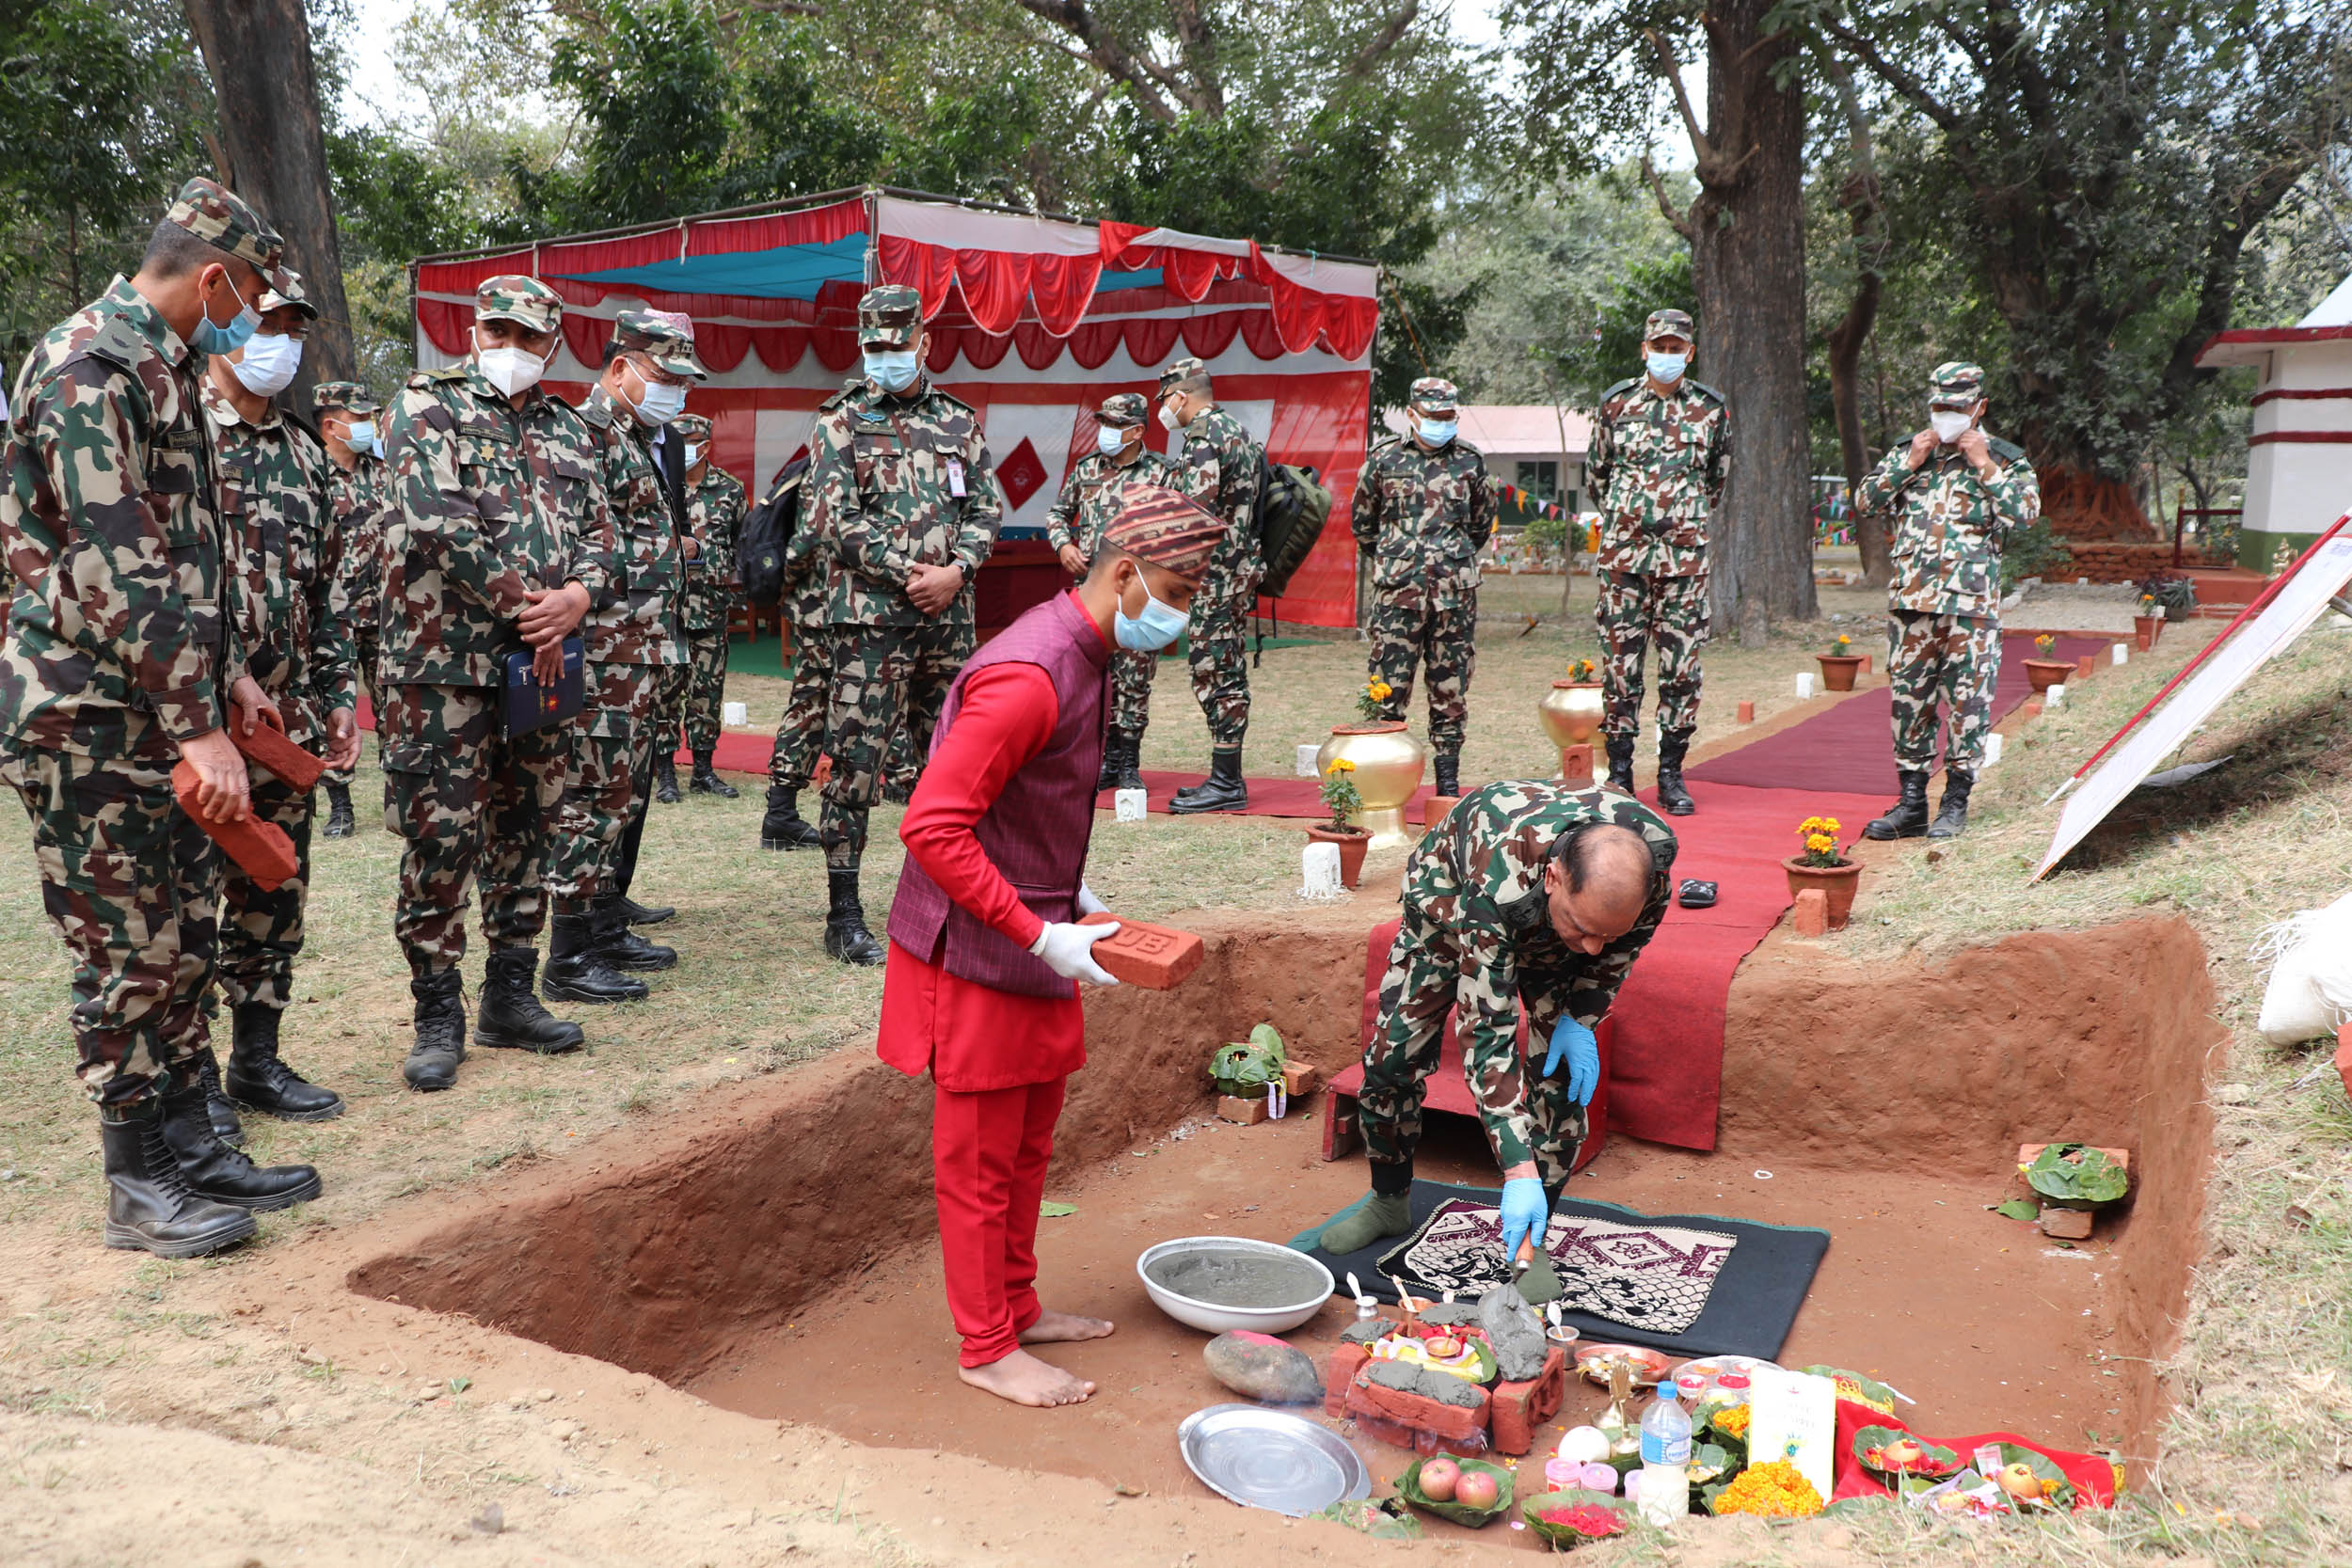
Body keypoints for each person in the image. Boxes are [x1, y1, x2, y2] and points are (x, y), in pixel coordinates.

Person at [0, 176, 321, 1256]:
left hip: (154, 701)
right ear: (216, 273)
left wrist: (226, 678)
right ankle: (137, 1183)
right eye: (252, 293)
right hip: (87, 714)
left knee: (180, 933)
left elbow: (186, 554)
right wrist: (198, 725)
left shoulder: (163, 366)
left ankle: (193, 1146)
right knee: (125, 944)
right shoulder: (90, 363)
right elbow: (117, 563)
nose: (254, 317)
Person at [882, 485, 1221, 1405]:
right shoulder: (1030, 673)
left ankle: (1019, 1304)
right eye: (1180, 587)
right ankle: (986, 1345)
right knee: (979, 1159)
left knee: (1028, 1146)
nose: (1186, 613)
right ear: (1125, 573)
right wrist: (1040, 929)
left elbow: (1018, 806)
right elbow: (933, 826)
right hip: (982, 950)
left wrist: (1067, 891)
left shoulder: (1090, 649)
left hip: (1035, 933)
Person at [1311, 782, 1677, 1302]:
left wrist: (1581, 1014)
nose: (1594, 945)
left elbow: (1620, 948)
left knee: (1562, 1080)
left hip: (1548, 920)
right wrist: (1517, 1167)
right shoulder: (1496, 884)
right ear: (1554, 878)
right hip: (1449, 912)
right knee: (1392, 1061)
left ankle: (1532, 1236)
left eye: (1607, 932)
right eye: (1583, 927)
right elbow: (1489, 1033)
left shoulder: (1651, 865)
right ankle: (1388, 1199)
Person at [381, 274, 607, 1090]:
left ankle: (510, 992)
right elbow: (438, 521)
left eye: (527, 336)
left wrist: (577, 597)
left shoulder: (571, 430)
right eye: (496, 330)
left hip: (540, 669)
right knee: (441, 841)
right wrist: (534, 610)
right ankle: (436, 1011)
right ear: (476, 329)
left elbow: (601, 538)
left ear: (553, 345)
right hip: (443, 670)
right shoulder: (424, 406)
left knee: (528, 827)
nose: (509, 347)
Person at [197, 269, 360, 1143]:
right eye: (270, 323)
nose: (283, 343)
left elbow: (326, 594)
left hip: (286, 721)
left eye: (296, 328)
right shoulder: (180, 429)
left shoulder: (304, 454)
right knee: (189, 896)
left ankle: (255, 1060)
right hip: (194, 714)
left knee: (274, 887)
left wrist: (339, 698)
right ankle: (193, 1087)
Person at [803, 283, 1001, 965]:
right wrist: (909, 573)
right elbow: (834, 519)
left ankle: (951, 895)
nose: (885, 356)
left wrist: (957, 571)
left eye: (897, 343)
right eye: (873, 346)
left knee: (954, 759)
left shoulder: (958, 421)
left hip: (948, 621)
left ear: (924, 342)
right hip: (870, 623)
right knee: (856, 763)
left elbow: (986, 508)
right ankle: (845, 911)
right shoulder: (839, 421)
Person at [542, 311, 707, 1004]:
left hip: (644, 650)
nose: (675, 392)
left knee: (623, 796)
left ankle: (604, 927)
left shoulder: (637, 438)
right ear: (620, 368)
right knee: (590, 799)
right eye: (664, 376)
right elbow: (578, 542)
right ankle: (569, 955)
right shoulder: (583, 437)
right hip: (607, 651)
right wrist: (673, 551)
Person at [1858, 361, 2041, 842]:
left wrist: (1985, 464)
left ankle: (1954, 803)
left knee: (1967, 706)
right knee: (1909, 704)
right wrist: (1906, 464)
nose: (1946, 415)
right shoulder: (1909, 454)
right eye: (1939, 406)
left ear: (1979, 408)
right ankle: (1912, 804)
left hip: (1971, 608)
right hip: (1913, 605)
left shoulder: (2007, 460)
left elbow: (2025, 514)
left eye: (1957, 407)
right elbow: (1864, 502)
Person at [1586, 309, 1730, 816]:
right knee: (1620, 669)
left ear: (1689, 353)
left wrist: (1676, 522)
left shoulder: (1712, 410)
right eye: (1659, 346)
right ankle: (1621, 772)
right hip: (1625, 562)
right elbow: (1596, 477)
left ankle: (1672, 773)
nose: (1666, 356)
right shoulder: (1616, 405)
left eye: (1676, 349)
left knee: (1681, 671)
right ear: (1643, 349)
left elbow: (1715, 481)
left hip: (1685, 566)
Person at [1352, 376, 1497, 798]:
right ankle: (1385, 784)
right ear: (1412, 414)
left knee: (1449, 686)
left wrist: (1446, 559)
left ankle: (1447, 781)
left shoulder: (1471, 461)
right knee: (1386, 687)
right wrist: (1397, 561)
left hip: (1454, 595)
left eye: (1449, 416)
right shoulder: (1383, 459)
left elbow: (1480, 525)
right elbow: (1363, 525)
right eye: (1433, 415)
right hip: (1398, 594)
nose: (1442, 423)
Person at [1042, 392, 1178, 791]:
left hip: (1138, 594)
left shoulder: (1162, 472)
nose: (1106, 432)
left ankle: (1130, 762)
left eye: (1116, 425)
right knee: (1096, 675)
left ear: (1137, 430)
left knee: (1135, 677)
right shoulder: (1087, 469)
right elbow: (1056, 513)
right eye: (1104, 423)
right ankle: (1106, 758)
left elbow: (1177, 529)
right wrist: (1063, 544)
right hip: (1091, 593)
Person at [1156, 356, 1263, 814]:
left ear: (1182, 395)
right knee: (1227, 668)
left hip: (1214, 575)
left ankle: (1226, 782)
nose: (1163, 408)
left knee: (1213, 671)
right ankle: (1226, 776)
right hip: (1236, 570)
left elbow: (1192, 515)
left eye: (1164, 399)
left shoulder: (1203, 439)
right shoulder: (1237, 432)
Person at [313, 378, 392, 839]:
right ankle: (340, 803)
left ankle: (398, 795)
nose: (369, 425)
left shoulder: (382, 472)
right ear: (331, 424)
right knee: (337, 709)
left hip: (384, 612)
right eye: (360, 418)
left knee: (393, 706)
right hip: (335, 615)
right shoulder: (311, 474)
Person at [655, 411, 745, 800]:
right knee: (665, 694)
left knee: (707, 693)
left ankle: (704, 770)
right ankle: (664, 773)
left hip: (711, 609)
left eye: (690, 442)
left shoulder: (730, 489)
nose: (684, 449)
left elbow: (743, 545)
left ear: (705, 447)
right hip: (667, 613)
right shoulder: (659, 485)